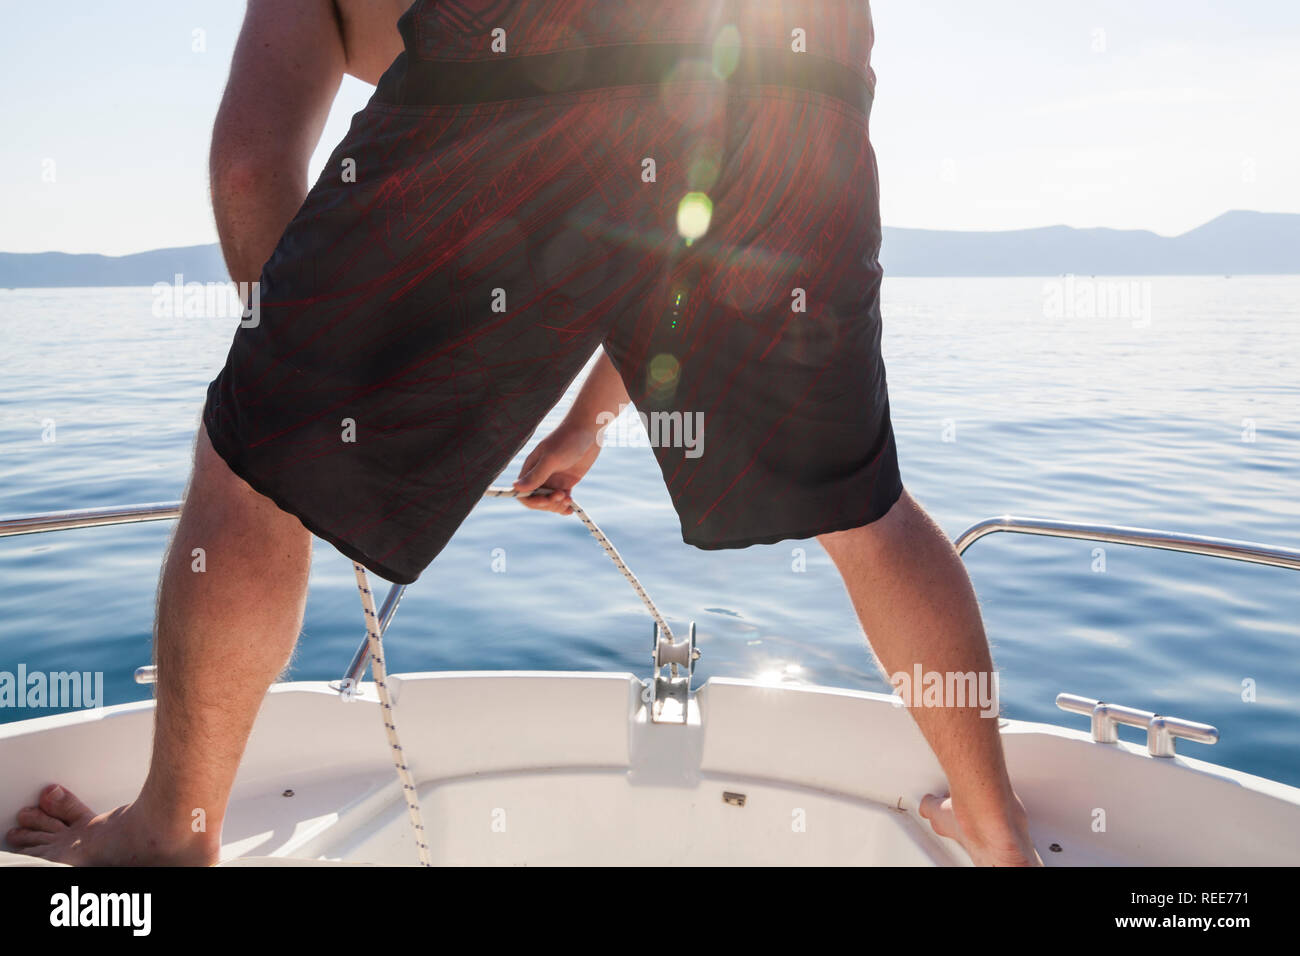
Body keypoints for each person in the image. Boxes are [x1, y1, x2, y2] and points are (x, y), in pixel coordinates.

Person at [7, 0, 1040, 866]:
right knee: (863, 505)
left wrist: (295, 400)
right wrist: (589, 421)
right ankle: (998, 837)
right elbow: (669, 223)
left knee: (246, 468)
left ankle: (169, 838)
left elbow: (249, 167)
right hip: (798, 70)